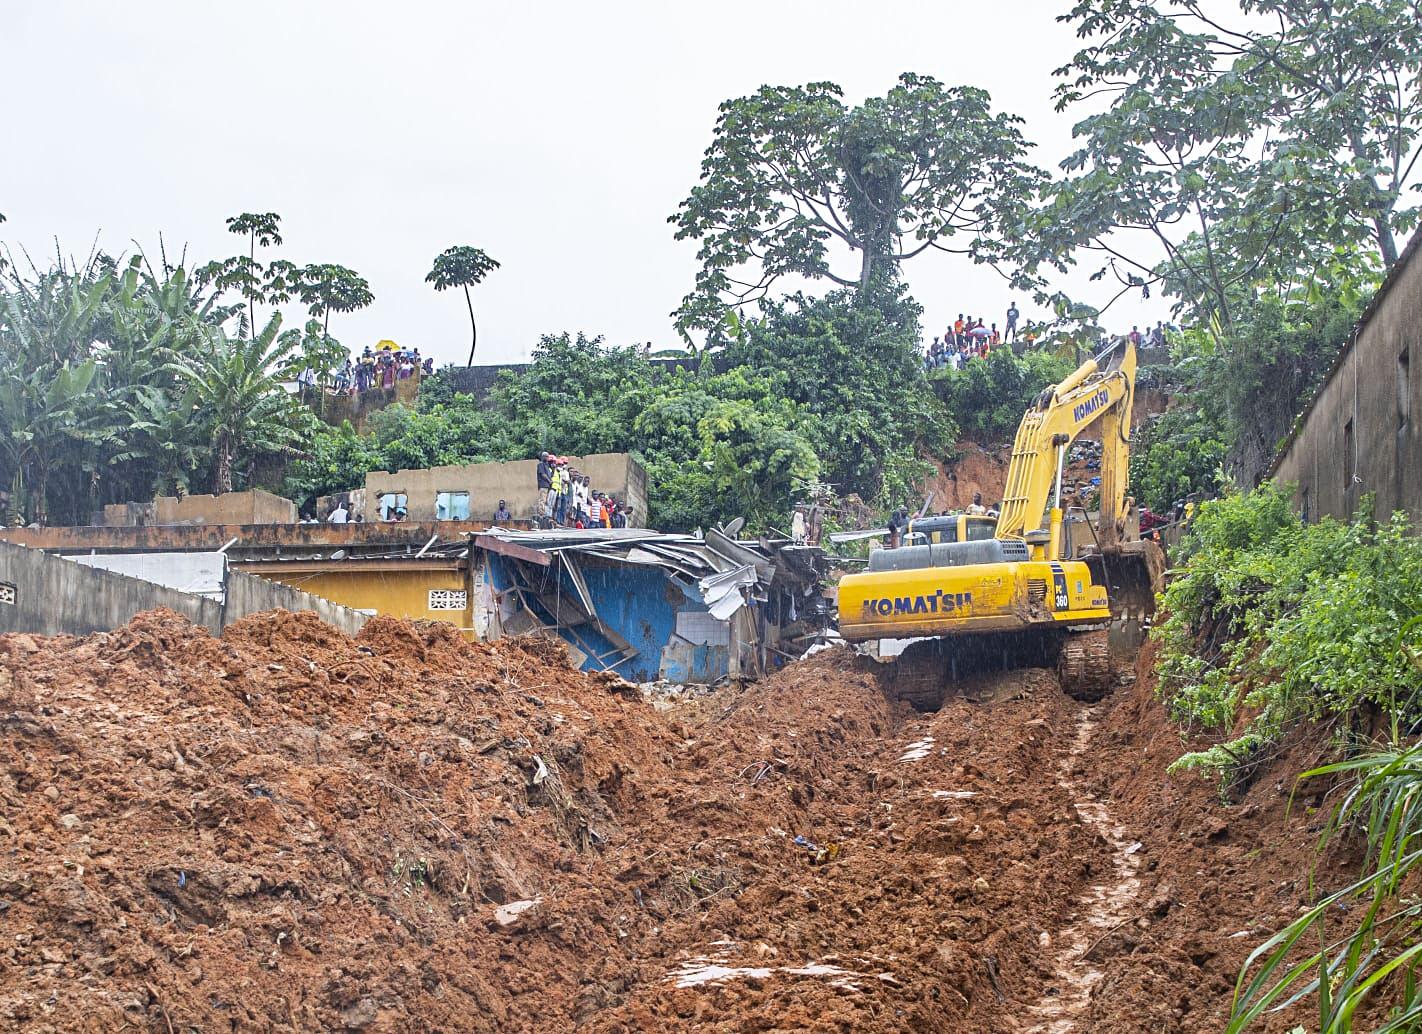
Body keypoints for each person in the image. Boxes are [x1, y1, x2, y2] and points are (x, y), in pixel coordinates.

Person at [537, 452, 553, 518]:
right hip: (543, 484)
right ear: (542, 457)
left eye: (547, 456)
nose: (547, 458)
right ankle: (541, 512)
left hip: (547, 485)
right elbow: (543, 474)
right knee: (542, 499)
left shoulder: (546, 465)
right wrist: (549, 481)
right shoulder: (540, 464)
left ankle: (543, 512)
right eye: (546, 456)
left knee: (545, 500)